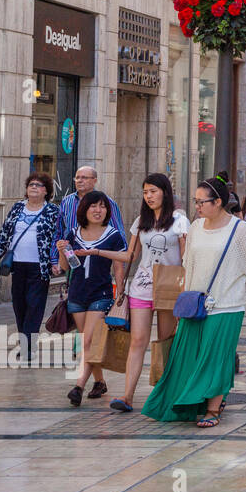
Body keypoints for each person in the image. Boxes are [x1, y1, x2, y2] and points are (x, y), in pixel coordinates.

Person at [142, 178, 246, 427]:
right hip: (194, 305)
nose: (197, 206)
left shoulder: (239, 229)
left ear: (218, 202)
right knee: (187, 357)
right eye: (195, 202)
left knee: (216, 356)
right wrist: (181, 302)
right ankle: (190, 401)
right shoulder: (196, 227)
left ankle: (213, 408)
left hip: (227, 305)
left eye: (201, 202)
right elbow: (188, 265)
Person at [110, 174, 189, 412]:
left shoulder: (179, 220)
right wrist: (97, 252)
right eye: (145, 192)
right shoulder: (140, 221)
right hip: (141, 287)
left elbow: (186, 256)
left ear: (165, 191)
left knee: (165, 342)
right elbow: (130, 256)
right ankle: (127, 396)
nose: (149, 196)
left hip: (169, 286)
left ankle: (163, 393)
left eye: (153, 191)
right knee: (137, 341)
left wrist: (188, 285)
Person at [57, 191, 127, 406]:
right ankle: (100, 382)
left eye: (102, 206)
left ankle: (78, 386)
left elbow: (118, 265)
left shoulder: (114, 235)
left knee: (88, 341)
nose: (98, 210)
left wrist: (120, 293)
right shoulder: (73, 234)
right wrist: (62, 250)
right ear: (84, 210)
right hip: (77, 295)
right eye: (93, 206)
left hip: (101, 294)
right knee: (87, 342)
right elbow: (64, 267)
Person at [0, 172, 61, 363]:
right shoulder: (18, 207)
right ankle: (25, 341)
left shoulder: (52, 211)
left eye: (39, 185)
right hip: (17, 265)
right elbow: (5, 233)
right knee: (20, 305)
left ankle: (28, 347)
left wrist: (55, 261)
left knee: (35, 306)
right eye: (31, 184)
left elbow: (56, 239)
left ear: (46, 191)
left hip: (40, 267)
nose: (34, 187)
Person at [56, 166, 126, 289]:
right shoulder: (66, 202)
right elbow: (59, 232)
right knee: (74, 293)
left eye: (84, 177)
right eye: (77, 178)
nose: (79, 180)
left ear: (94, 180)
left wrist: (119, 261)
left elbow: (119, 235)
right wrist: (56, 258)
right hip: (72, 258)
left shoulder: (108, 203)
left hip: (98, 262)